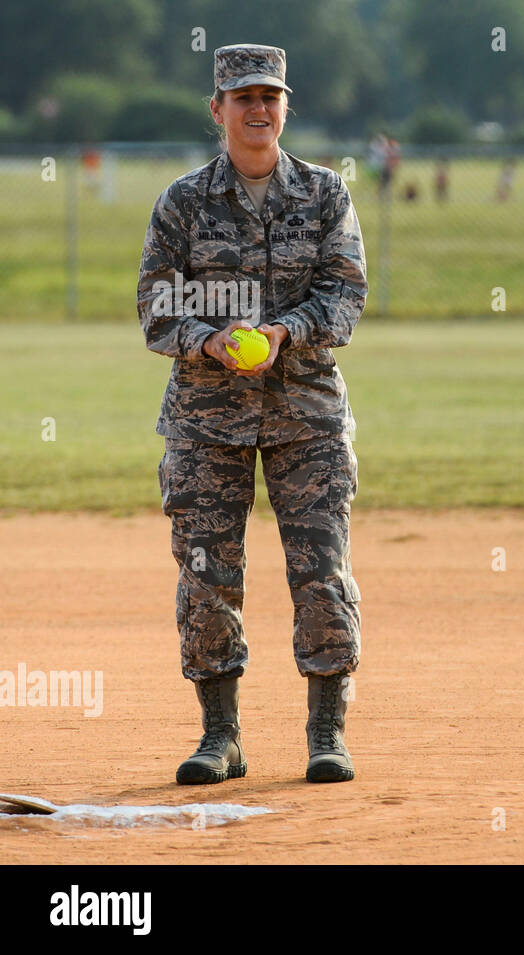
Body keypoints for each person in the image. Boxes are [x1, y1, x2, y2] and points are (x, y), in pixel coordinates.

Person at [137, 44, 365, 785]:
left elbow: (346, 294)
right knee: (207, 575)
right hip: (207, 420)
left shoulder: (327, 194)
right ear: (218, 111)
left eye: (270, 96)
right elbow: (155, 307)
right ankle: (221, 735)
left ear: (285, 107)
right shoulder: (182, 201)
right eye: (243, 98)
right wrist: (210, 343)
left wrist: (283, 333)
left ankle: (326, 732)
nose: (258, 110)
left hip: (307, 415)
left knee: (322, 572)